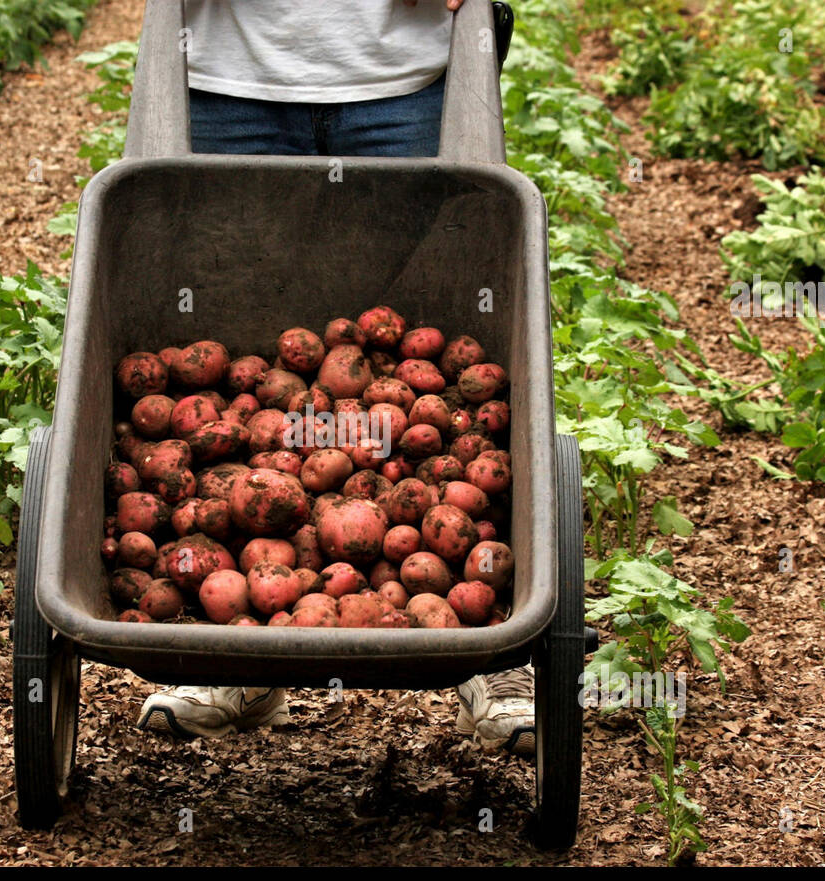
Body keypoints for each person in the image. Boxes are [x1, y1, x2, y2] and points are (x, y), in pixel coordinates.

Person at [137, 0, 536, 756]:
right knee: (236, 333)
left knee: (459, 334)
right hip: (230, 74)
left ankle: (492, 645)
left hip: (407, 74)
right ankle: (236, 656)